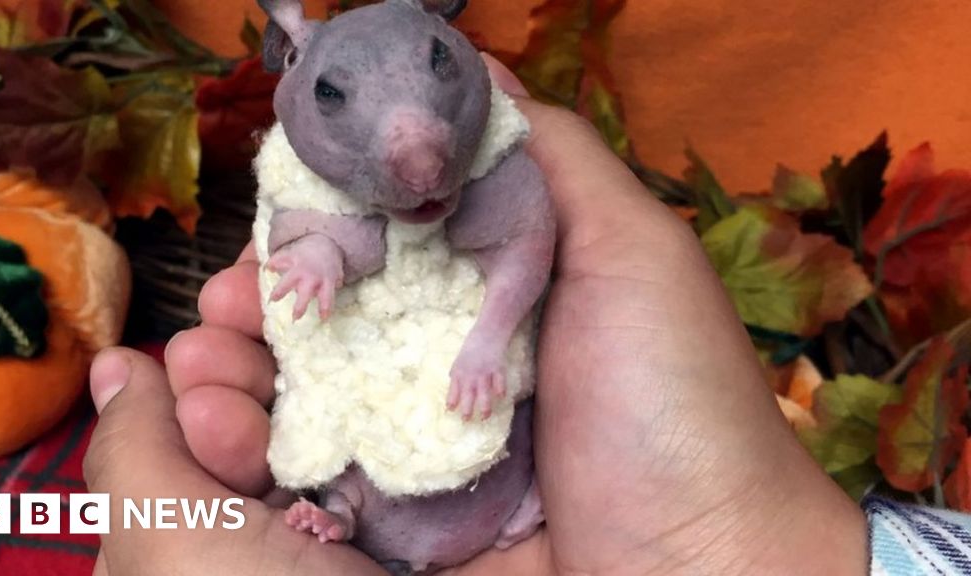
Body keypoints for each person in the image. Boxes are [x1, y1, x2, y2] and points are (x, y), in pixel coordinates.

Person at [82, 57, 964, 576]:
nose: (419, 163)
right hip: (381, 484)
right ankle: (341, 519)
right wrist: (314, 255)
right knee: (324, 439)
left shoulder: (503, 170)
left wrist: (488, 337)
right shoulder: (301, 186)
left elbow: (524, 249)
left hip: (517, 495)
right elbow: (321, 237)